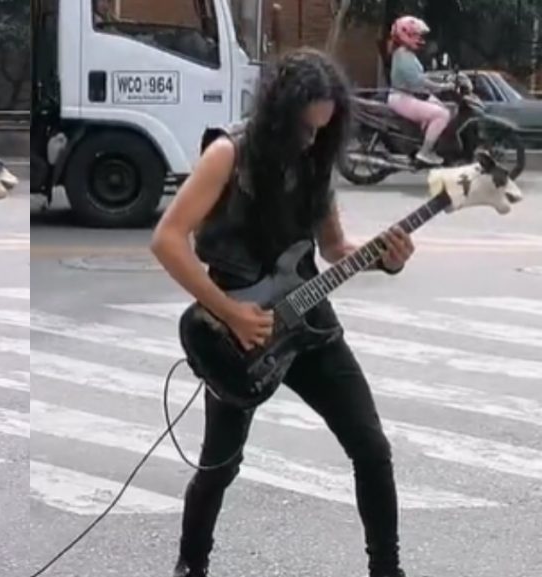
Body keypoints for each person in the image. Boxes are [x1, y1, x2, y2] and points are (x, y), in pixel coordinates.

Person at [150, 48, 417, 577]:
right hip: (238, 334)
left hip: (311, 327)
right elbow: (168, 239)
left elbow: (336, 249)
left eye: (323, 130)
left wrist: (383, 258)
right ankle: (190, 565)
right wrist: (229, 312)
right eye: (303, 130)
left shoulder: (318, 161)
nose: (312, 142)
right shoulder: (229, 153)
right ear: (277, 115)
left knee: (371, 447)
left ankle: (386, 571)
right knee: (220, 465)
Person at [386, 15, 454, 166]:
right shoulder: (403, 55)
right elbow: (418, 82)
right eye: (416, 35)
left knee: (441, 106)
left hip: (405, 96)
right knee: (442, 114)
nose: (419, 39)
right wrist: (442, 87)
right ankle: (425, 152)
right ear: (406, 35)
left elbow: (421, 77)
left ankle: (426, 142)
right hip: (402, 98)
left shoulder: (406, 54)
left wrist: (443, 80)